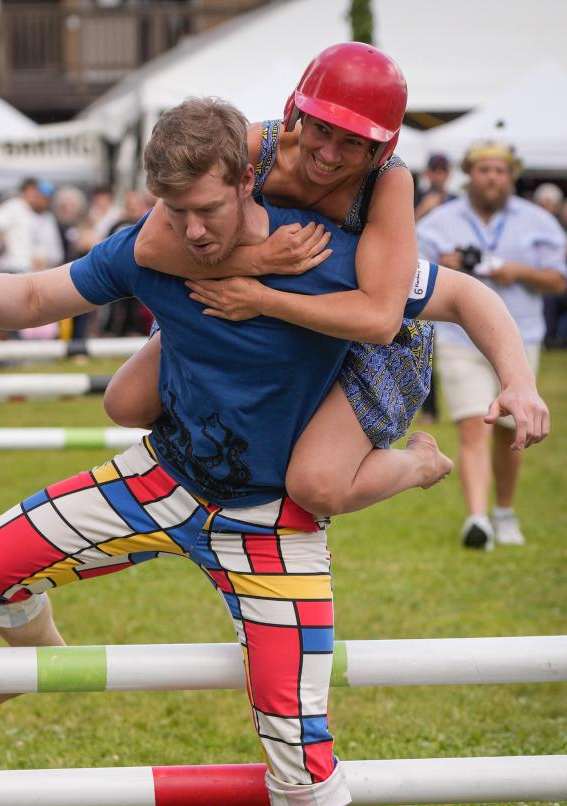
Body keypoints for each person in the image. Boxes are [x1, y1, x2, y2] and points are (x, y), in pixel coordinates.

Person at [0, 99, 547, 806]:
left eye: (207, 210)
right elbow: (29, 299)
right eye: (173, 211)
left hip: (272, 524)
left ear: (249, 177)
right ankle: (39, 656)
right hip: (164, 477)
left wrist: (517, 381)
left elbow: (463, 297)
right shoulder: (152, 246)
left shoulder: (333, 253)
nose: (191, 231)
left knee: (297, 742)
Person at [109, 43, 451, 518]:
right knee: (125, 403)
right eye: (322, 129)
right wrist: (260, 259)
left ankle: (419, 463)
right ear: (296, 113)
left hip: (358, 334)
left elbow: (380, 319)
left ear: (381, 148)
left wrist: (263, 298)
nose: (329, 153)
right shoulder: (254, 145)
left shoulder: (389, 181)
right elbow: (149, 246)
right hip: (247, 302)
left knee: (316, 486)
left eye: (353, 141)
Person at [417, 142, 566, 549]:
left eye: (500, 171)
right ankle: (477, 519)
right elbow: (411, 271)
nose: (492, 178)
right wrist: (444, 269)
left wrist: (518, 272)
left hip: (521, 336)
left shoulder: (538, 221)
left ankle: (504, 510)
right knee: (473, 425)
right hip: (459, 337)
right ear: (469, 173)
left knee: (510, 430)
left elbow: (558, 279)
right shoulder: (440, 221)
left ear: (511, 175)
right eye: (484, 170)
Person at [414, 152, 456, 221]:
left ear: (448, 174)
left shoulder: (456, 200)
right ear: (426, 173)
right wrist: (423, 209)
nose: (438, 176)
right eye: (434, 170)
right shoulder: (415, 197)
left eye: (442, 171)